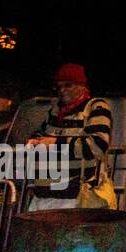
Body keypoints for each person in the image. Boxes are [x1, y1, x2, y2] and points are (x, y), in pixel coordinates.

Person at [25, 63, 113, 211]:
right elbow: (42, 132)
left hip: (74, 195)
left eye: (68, 85)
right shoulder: (55, 110)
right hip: (45, 192)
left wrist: (54, 143)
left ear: (81, 86)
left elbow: (97, 145)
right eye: (58, 87)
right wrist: (35, 140)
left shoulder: (96, 107)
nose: (62, 91)